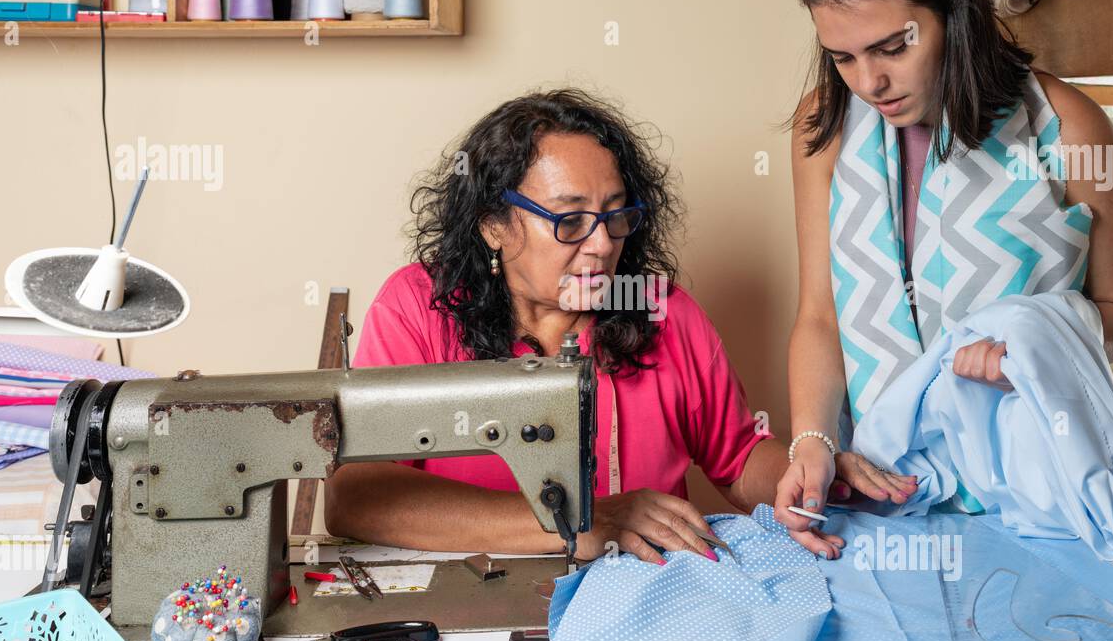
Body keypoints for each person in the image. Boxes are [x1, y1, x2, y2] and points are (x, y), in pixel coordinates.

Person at [775, 0, 1113, 556]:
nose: (869, 82)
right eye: (842, 56)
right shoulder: (822, 127)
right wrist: (813, 444)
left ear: (952, 8)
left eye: (892, 47)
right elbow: (819, 319)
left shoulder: (1069, 127)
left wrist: (1033, 354)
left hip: (1035, 499)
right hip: (882, 496)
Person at [325, 89, 800, 563]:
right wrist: (580, 522)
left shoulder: (662, 312)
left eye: (615, 216)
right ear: (494, 224)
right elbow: (356, 498)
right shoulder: (419, 308)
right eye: (570, 220)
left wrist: (810, 473)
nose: (601, 245)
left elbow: (739, 457)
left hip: (639, 598)